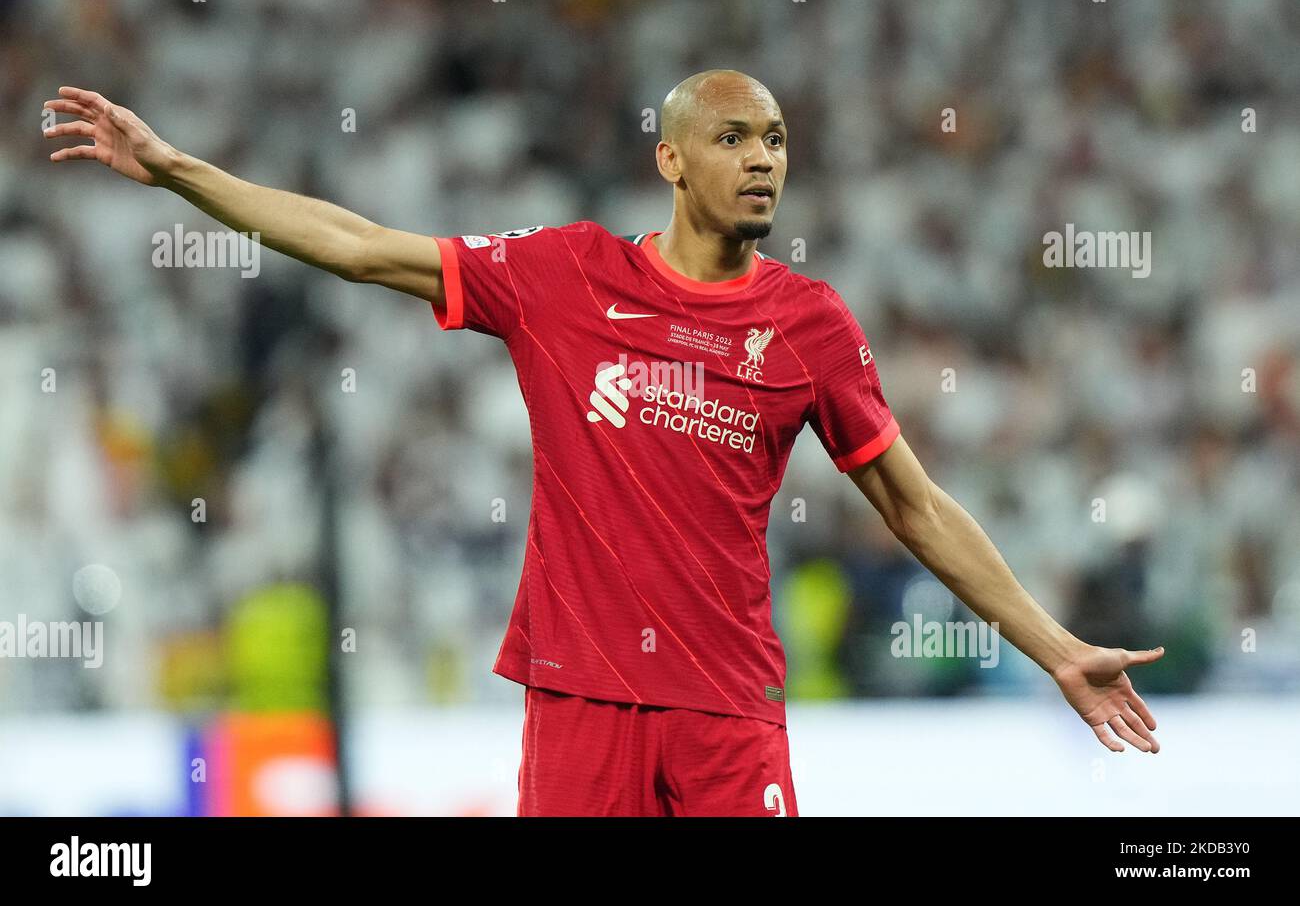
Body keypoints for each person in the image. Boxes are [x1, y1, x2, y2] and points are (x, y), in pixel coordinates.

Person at [44, 69, 1164, 817]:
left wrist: (1053, 646)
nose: (763, 158)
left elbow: (915, 505)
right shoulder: (566, 275)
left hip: (727, 708)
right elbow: (360, 245)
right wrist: (183, 171)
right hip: (582, 699)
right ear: (672, 161)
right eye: (732, 138)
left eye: (775, 139)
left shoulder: (811, 325)